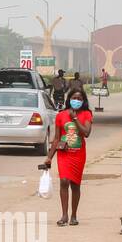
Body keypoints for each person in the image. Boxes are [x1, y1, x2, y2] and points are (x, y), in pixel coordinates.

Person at [43, 84, 94, 226]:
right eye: (74, 98)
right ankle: (64, 215)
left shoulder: (86, 114)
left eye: (79, 98)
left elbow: (86, 133)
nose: (76, 100)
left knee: (75, 185)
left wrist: (75, 119)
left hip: (78, 154)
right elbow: (57, 138)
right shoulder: (61, 115)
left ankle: (74, 215)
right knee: (64, 180)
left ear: (83, 101)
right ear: (69, 99)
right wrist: (49, 157)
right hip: (64, 154)